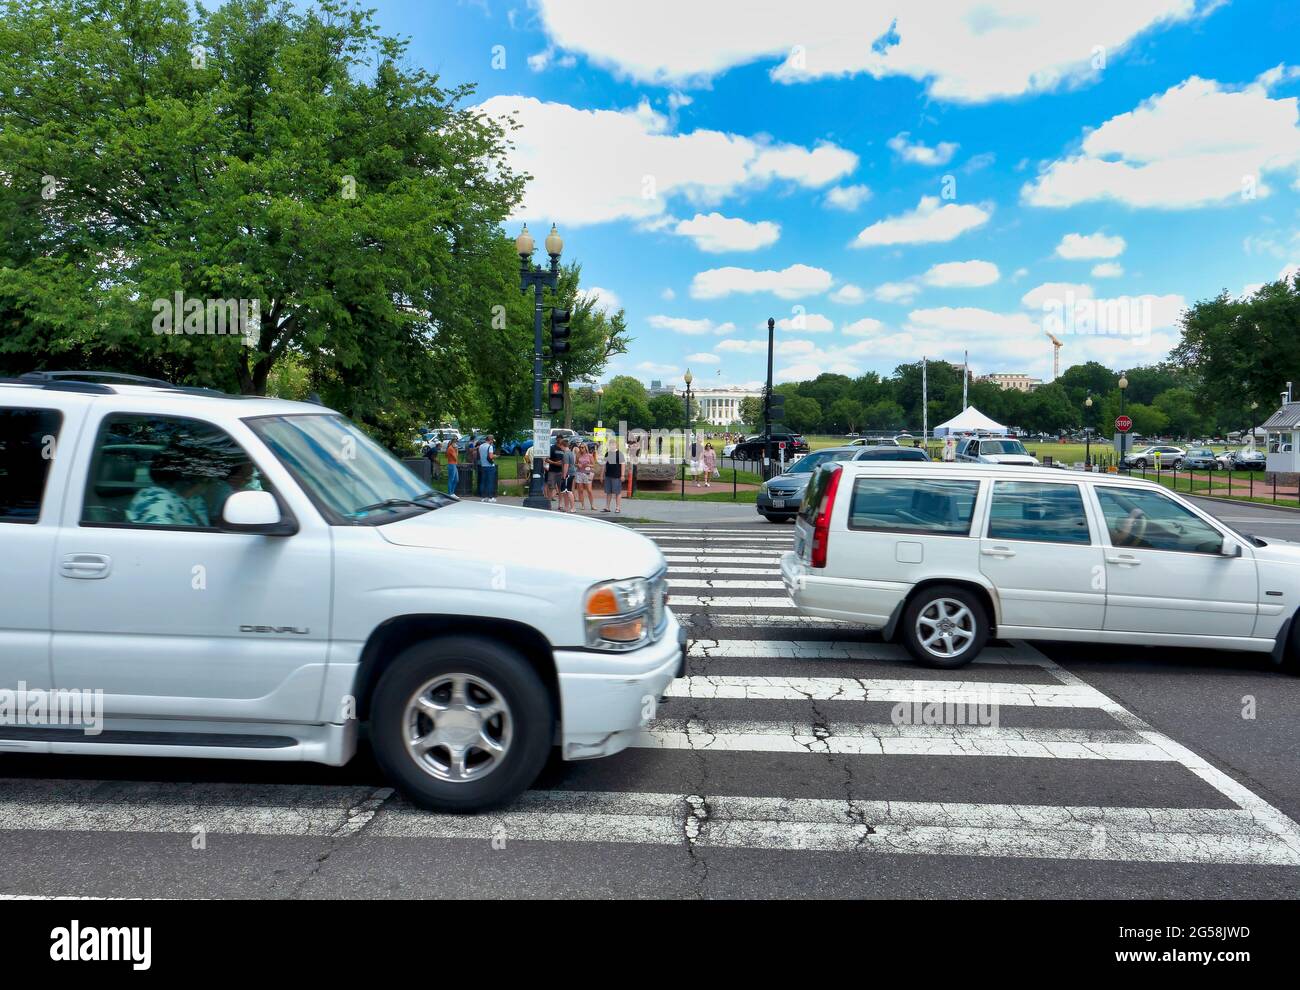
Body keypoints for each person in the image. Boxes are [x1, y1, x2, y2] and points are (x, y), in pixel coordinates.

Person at [602, 440, 624, 513]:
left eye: (613, 445)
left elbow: (623, 465)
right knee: (608, 492)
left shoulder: (619, 454)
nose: (612, 446)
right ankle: (607, 507)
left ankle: (618, 507)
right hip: (608, 475)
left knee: (617, 492)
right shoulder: (607, 453)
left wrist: (622, 475)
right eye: (610, 445)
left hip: (616, 476)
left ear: (616, 445)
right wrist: (602, 474)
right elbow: (604, 464)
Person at [574, 441, 595, 511]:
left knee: (589, 490)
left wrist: (588, 465)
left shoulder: (590, 455)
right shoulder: (578, 455)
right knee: (580, 490)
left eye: (582, 447)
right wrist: (578, 465)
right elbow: (575, 463)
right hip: (579, 473)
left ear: (585, 448)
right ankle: (582, 505)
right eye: (580, 447)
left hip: (587, 473)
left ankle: (592, 505)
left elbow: (593, 465)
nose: (581, 449)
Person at [546, 436, 567, 505]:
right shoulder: (552, 448)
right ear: (556, 439)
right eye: (558, 438)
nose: (560, 440)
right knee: (551, 487)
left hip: (561, 471)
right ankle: (548, 503)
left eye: (561, 438)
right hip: (552, 471)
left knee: (561, 489)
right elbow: (547, 459)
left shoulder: (563, 449)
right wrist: (554, 463)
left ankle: (560, 505)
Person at [477, 434, 497, 502]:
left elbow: (481, 455)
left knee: (483, 481)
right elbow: (491, 457)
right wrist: (495, 456)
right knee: (490, 482)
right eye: (492, 440)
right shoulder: (490, 447)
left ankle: (483, 497)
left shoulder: (481, 446)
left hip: (483, 465)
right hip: (490, 466)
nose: (492, 442)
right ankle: (490, 497)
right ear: (490, 440)